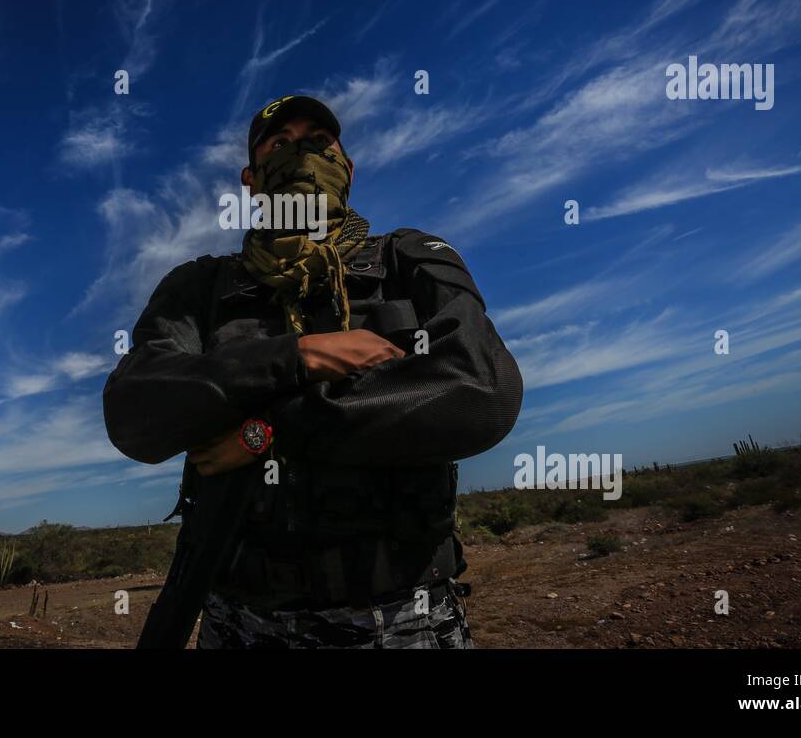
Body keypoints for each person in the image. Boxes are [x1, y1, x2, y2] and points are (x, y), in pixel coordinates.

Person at [103, 93, 523, 648]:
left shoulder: (407, 259)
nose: (301, 157)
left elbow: (480, 390)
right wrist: (302, 356)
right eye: (280, 145)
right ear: (251, 180)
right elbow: (134, 410)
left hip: (400, 623)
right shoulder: (200, 288)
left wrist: (268, 434)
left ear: (346, 169)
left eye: (319, 144)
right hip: (238, 623)